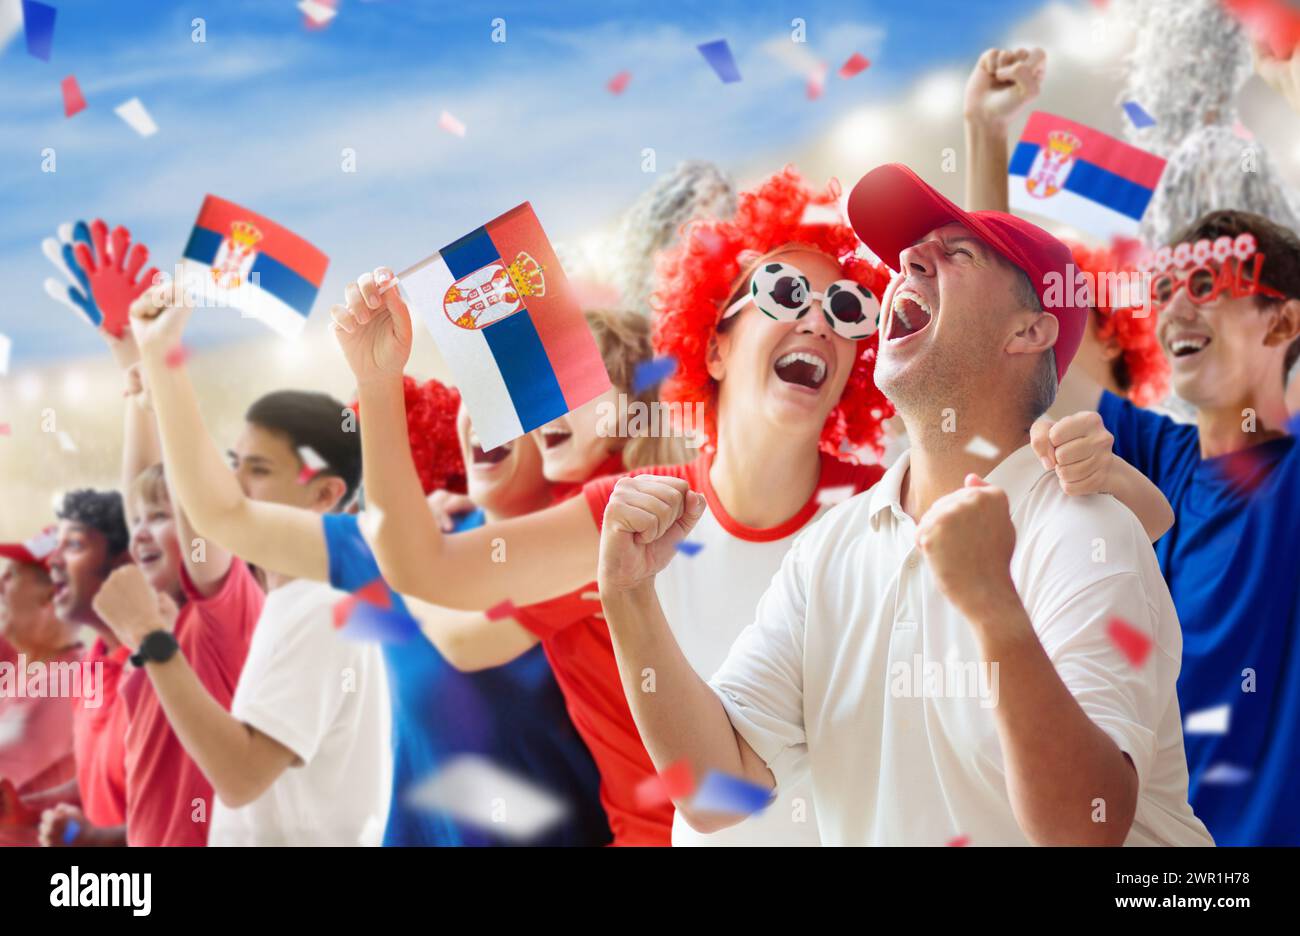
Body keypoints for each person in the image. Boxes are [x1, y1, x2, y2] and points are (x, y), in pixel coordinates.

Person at [334, 166, 1171, 845]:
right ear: (714, 342)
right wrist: (377, 386)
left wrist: (1110, 484)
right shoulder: (671, 516)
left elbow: (1060, 484)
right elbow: (429, 575)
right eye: (781, 294)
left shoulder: (876, 496)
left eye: (847, 309)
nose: (821, 319)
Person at [593, 163, 1212, 846]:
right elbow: (715, 794)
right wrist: (629, 596)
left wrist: (993, 609)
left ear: (1029, 333)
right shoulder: (828, 552)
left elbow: (1084, 828)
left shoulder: (1085, 529)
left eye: (955, 253)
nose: (910, 260)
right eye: (910, 256)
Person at [89, 281, 393, 846]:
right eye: (234, 463)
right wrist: (149, 375)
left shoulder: (321, 608)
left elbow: (240, 777)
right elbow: (172, 507)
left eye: (257, 469)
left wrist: (149, 636)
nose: (231, 483)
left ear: (324, 495)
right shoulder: (296, 603)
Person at [33, 490, 133, 848]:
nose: (53, 561)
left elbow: (185, 817)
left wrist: (95, 840)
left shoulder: (160, 676)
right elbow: (95, 777)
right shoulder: (92, 666)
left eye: (73, 546)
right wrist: (26, 808)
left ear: (123, 564)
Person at [0, 539, 80, 846]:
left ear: (50, 597)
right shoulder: (26, 667)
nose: (1, 584)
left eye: (13, 575)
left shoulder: (71, 684)